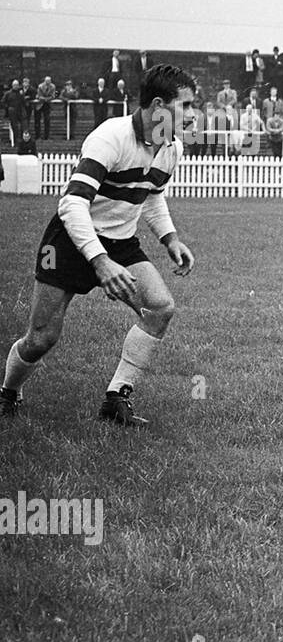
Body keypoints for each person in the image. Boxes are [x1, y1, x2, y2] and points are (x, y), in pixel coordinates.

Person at [1, 64, 197, 425]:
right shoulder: (110, 137)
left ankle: (116, 399)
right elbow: (72, 203)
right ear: (158, 105)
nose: (192, 115)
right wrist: (100, 261)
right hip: (72, 240)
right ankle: (8, 393)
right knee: (42, 338)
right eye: (185, 105)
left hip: (121, 242)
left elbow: (150, 196)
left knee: (160, 308)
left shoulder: (171, 147)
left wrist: (171, 239)